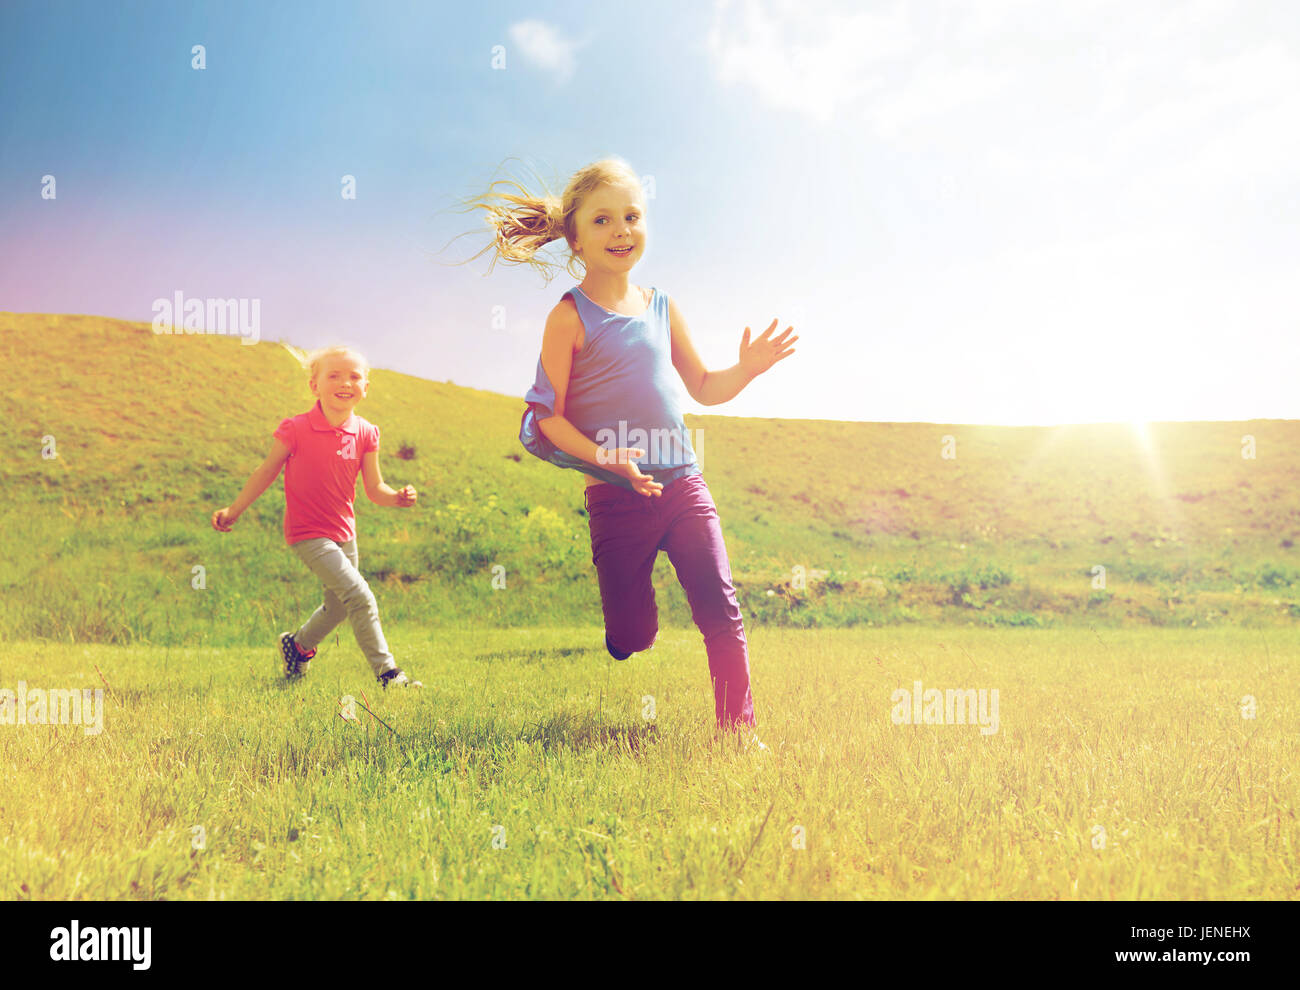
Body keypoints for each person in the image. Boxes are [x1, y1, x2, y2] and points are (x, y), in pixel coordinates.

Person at [464, 157, 796, 733]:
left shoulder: (663, 306)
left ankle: (738, 731)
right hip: (616, 498)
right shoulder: (568, 317)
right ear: (574, 237)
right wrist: (605, 457)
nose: (621, 231)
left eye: (632, 216)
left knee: (721, 609)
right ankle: (624, 637)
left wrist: (746, 370)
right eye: (602, 220)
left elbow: (705, 388)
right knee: (634, 634)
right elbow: (547, 418)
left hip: (684, 481)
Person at [211, 346, 422, 689]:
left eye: (354, 376)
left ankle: (297, 646)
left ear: (365, 388)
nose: (345, 382)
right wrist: (233, 511)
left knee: (338, 607)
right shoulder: (296, 429)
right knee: (360, 596)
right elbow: (266, 471)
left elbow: (374, 488)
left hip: (344, 532)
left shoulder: (367, 433)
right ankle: (389, 675)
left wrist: (397, 498)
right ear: (315, 385)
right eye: (334, 375)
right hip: (307, 532)